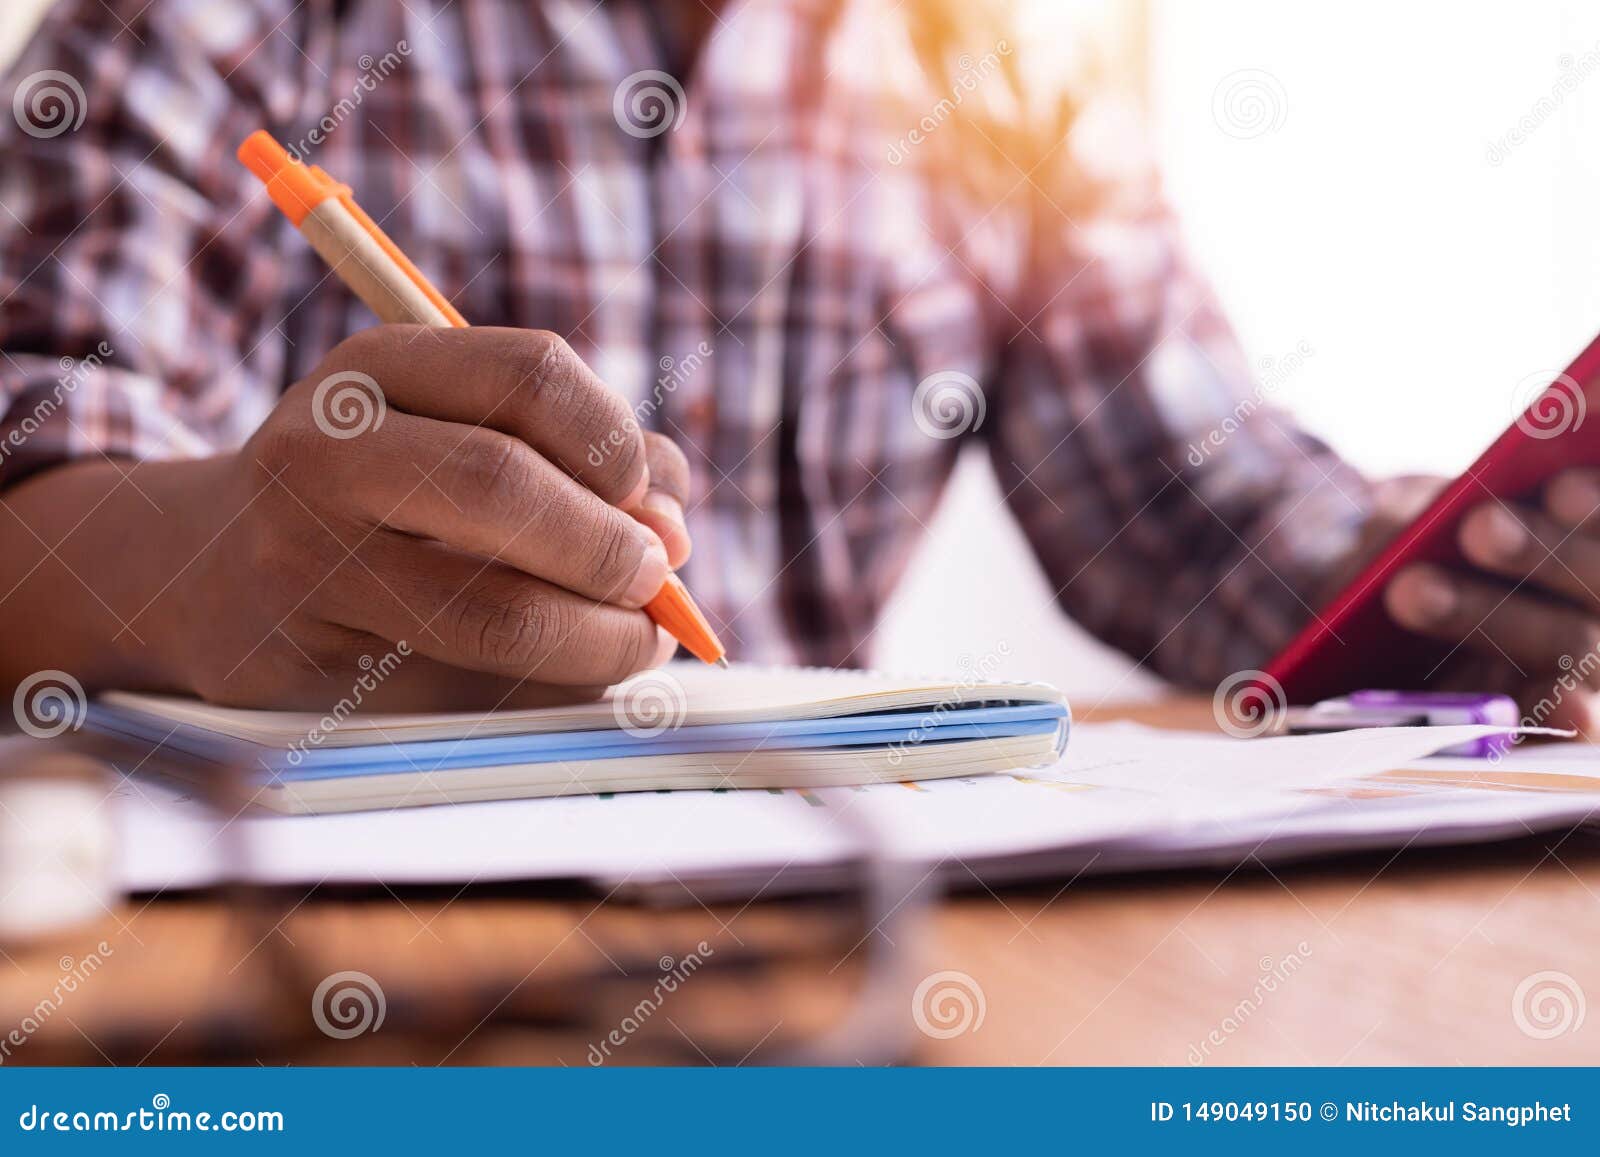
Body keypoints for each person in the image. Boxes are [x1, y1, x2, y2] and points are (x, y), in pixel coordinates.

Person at [0, 0, 1594, 727]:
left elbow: (1194, 508)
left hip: (839, 933)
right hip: (375, 961)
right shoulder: (208, 27)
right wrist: (217, 563)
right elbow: (33, 493)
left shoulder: (1012, 52)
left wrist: (1446, 583)